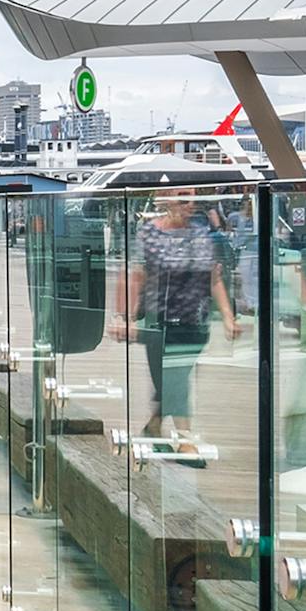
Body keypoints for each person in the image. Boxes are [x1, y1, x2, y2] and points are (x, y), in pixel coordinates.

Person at [116, 186, 238, 460]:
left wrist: (228, 316)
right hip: (158, 319)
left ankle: (167, 431)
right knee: (173, 378)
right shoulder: (148, 232)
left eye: (192, 198)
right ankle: (176, 436)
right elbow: (136, 274)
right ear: (166, 199)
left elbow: (213, 277)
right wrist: (125, 316)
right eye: (182, 197)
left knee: (176, 377)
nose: (188, 204)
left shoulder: (201, 234)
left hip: (194, 320)